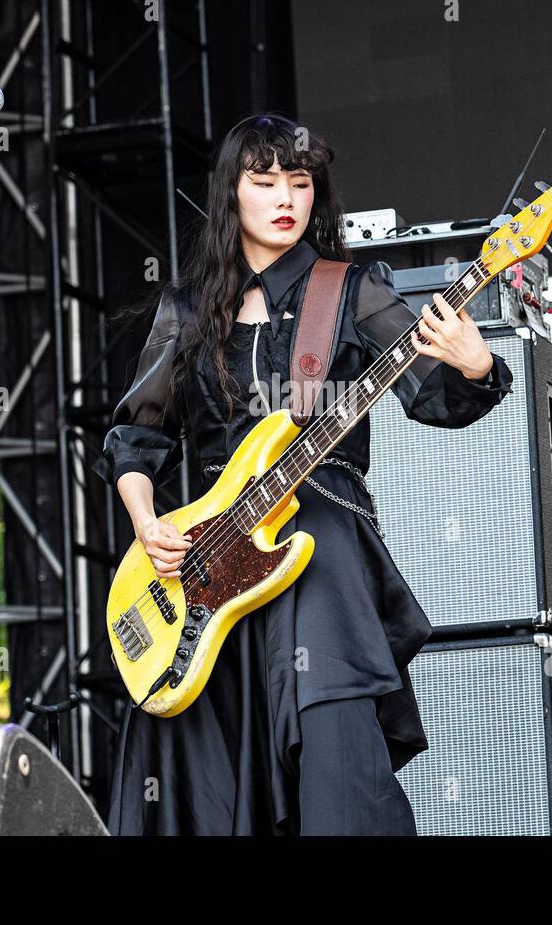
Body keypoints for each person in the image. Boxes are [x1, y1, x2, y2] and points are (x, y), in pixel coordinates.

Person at [92, 113, 513, 835]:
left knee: (332, 736)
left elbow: (430, 398)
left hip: (320, 536)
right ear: (232, 195)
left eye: (300, 182)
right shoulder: (186, 310)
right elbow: (135, 437)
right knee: (200, 767)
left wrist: (476, 365)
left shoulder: (349, 290)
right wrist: (146, 521)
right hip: (206, 561)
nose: (286, 197)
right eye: (265, 182)